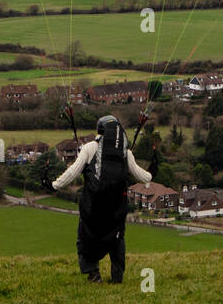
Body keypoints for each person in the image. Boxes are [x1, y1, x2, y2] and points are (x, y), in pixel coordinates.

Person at [51, 114, 152, 283]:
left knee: (85, 237)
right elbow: (145, 177)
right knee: (117, 240)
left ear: (99, 130)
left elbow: (72, 172)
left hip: (93, 207)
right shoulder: (125, 152)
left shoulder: (90, 148)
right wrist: (149, 171)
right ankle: (117, 276)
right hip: (116, 209)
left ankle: (93, 273)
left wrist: (55, 185)